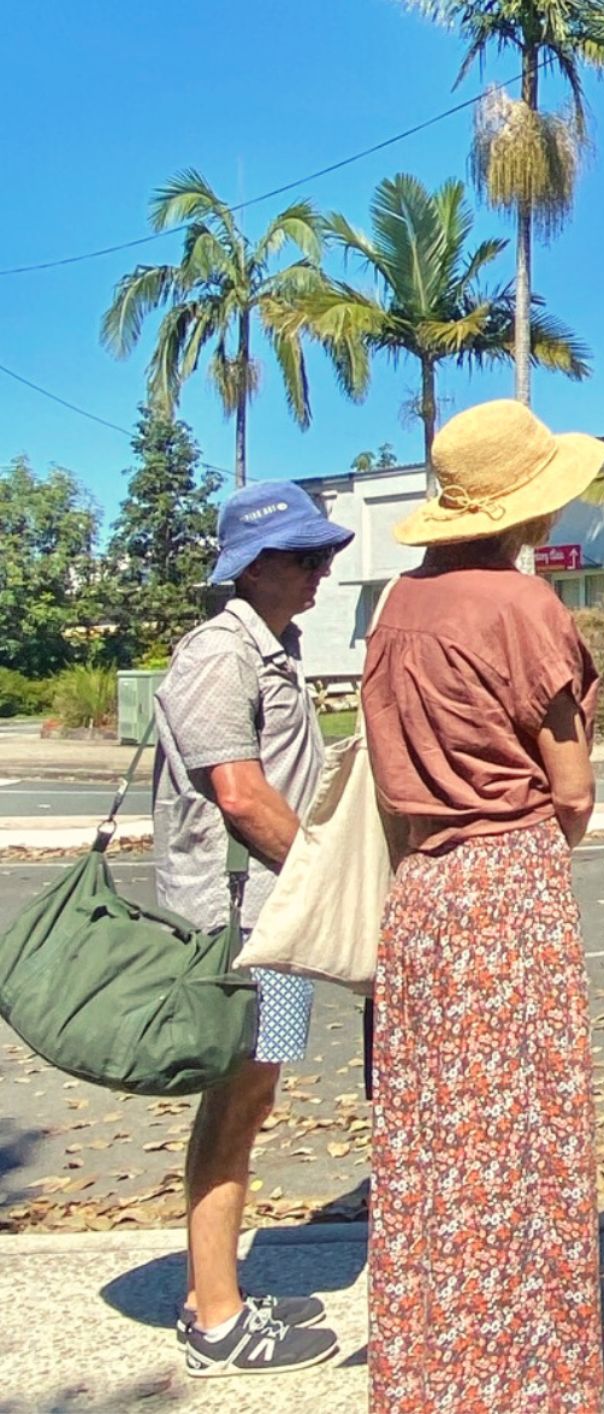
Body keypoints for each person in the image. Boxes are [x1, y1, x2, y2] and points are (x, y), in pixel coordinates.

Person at [360, 400, 604, 1412]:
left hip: (419, 895)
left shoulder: (395, 609)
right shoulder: (520, 607)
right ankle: (525, 1379)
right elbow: (575, 788)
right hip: (507, 886)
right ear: (523, 508)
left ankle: (433, 1375)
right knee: (523, 1143)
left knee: (433, 1149)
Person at [152, 481, 353, 1377]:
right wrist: (322, 880)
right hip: (238, 924)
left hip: (269, 913)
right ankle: (218, 1322)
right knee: (235, 1102)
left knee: (251, 1097)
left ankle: (213, 1290)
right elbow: (238, 794)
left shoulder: (274, 649)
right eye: (307, 558)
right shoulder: (219, 655)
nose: (321, 572)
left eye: (326, 557)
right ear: (255, 566)